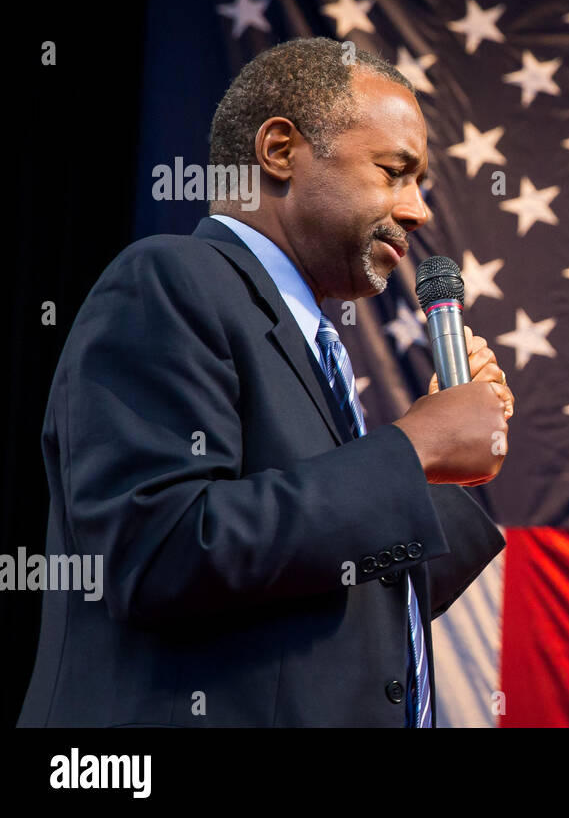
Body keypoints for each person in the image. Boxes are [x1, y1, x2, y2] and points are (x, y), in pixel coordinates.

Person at [19, 37, 512, 727]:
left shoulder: (312, 346)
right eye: (394, 171)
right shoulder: (168, 280)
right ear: (279, 151)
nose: (418, 210)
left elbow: (335, 593)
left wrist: (435, 473)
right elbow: (156, 551)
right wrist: (411, 447)